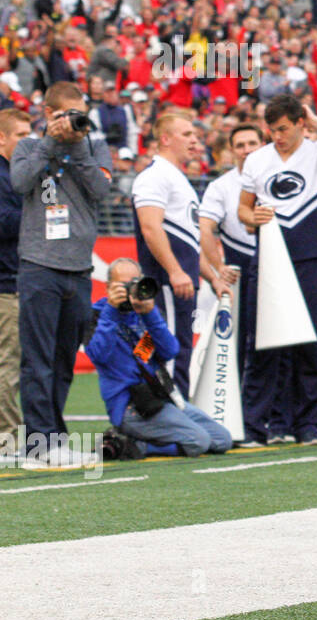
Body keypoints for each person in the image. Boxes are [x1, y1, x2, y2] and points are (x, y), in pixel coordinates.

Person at [238, 94, 317, 446]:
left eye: (285, 128)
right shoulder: (257, 160)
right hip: (270, 259)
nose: (278, 136)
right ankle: (258, 427)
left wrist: (312, 118)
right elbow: (243, 210)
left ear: (301, 124)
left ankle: (307, 425)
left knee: (310, 345)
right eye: (272, 130)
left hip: (308, 258)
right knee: (264, 345)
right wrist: (252, 217)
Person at [12, 81, 111, 466]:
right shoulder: (28, 147)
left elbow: (101, 191)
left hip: (79, 269)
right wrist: (51, 143)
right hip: (39, 266)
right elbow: (20, 183)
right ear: (49, 114)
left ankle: (53, 437)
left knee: (64, 359)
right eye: (65, 114)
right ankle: (39, 444)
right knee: (38, 361)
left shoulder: (93, 146)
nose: (73, 121)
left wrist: (76, 146)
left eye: (79, 112)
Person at [85, 257, 232, 457]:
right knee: (198, 442)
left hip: (160, 397)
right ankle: (127, 445)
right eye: (123, 285)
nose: (130, 290)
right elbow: (99, 356)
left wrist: (149, 313)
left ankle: (140, 438)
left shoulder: (144, 314)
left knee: (222, 440)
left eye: (134, 283)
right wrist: (112, 311)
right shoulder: (96, 315)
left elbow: (169, 352)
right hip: (130, 406)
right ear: (108, 286)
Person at [132, 112, 230, 402]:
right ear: (165, 138)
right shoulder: (155, 176)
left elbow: (188, 242)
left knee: (173, 348)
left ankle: (166, 417)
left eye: (195, 135)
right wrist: (174, 271)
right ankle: (171, 420)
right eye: (186, 134)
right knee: (170, 349)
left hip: (178, 282)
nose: (194, 140)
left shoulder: (177, 178)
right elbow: (151, 228)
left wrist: (212, 277)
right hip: (166, 283)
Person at [198, 123, 264, 389]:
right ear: (232, 151)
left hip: (278, 269)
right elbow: (204, 227)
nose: (246, 150)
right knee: (239, 343)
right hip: (243, 271)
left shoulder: (279, 176)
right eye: (240, 145)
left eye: (252, 143)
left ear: (263, 145)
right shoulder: (221, 187)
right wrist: (218, 267)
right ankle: (238, 409)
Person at [0, 108, 30, 442]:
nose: (28, 141)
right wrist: (35, 213)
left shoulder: (22, 173)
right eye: (21, 135)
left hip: (17, 279)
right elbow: (4, 222)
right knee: (8, 362)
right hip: (5, 282)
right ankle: (6, 436)